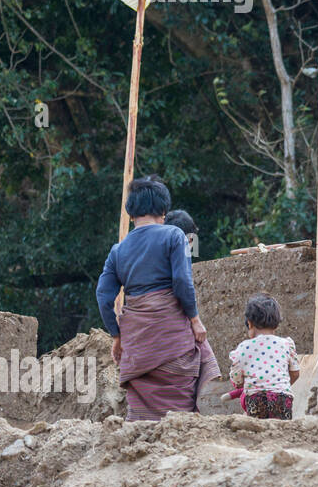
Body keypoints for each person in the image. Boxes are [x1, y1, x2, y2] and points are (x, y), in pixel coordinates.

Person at [95, 175, 220, 420]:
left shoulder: (117, 251)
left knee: (140, 420)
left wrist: (117, 336)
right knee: (180, 416)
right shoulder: (174, 235)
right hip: (174, 347)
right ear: (164, 210)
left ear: (131, 213)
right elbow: (183, 282)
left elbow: (102, 296)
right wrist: (195, 320)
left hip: (137, 353)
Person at [228, 293, 300, 420]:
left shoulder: (243, 348)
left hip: (256, 399)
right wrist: (279, 386)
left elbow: (236, 379)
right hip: (282, 399)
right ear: (277, 324)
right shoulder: (287, 344)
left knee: (256, 425)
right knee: (282, 427)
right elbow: (295, 374)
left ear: (249, 324)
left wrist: (241, 384)